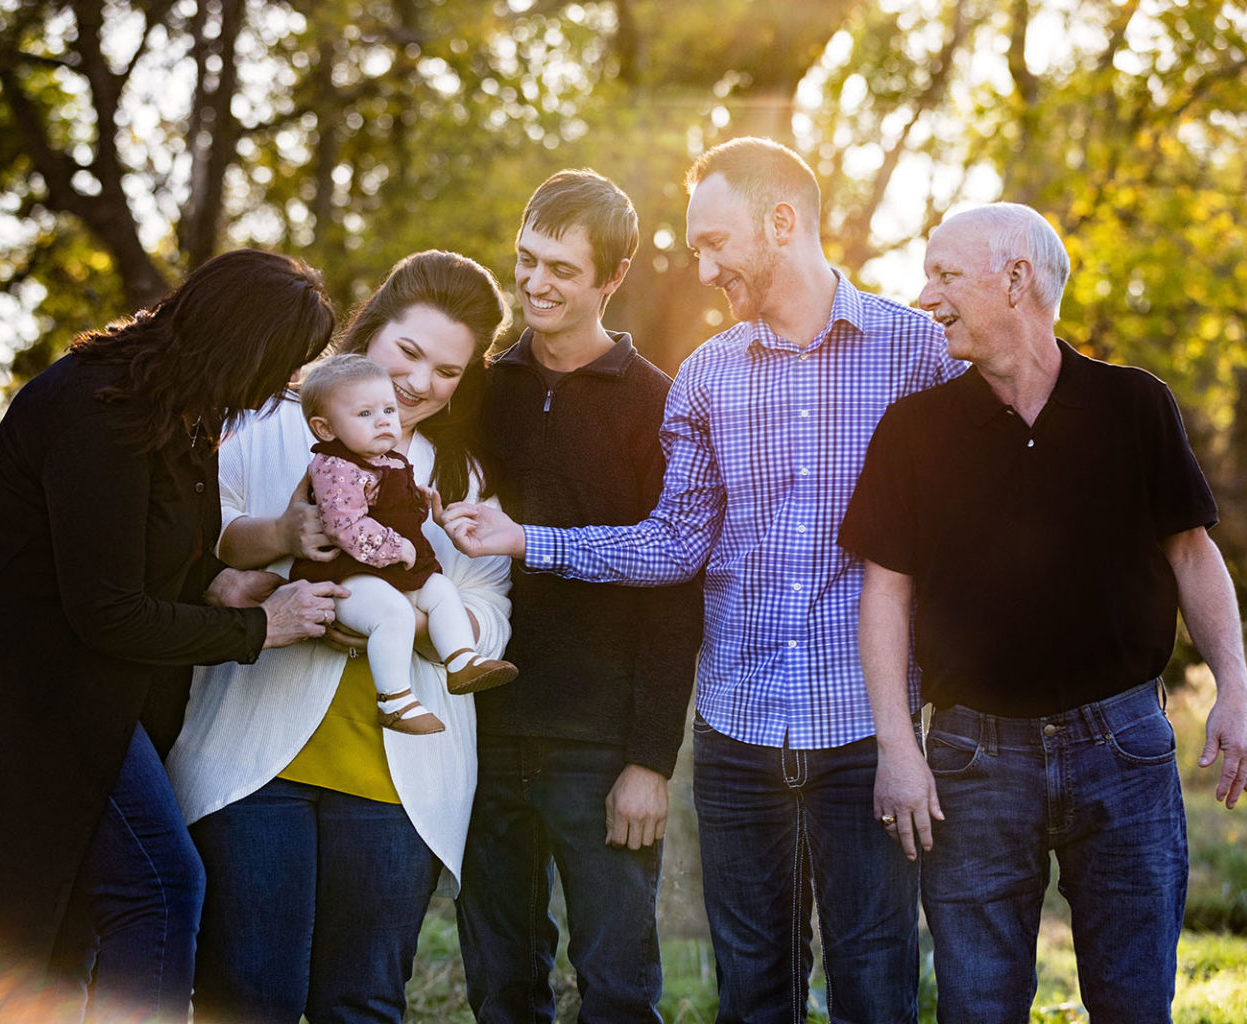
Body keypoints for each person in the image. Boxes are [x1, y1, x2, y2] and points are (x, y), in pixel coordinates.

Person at [442, 138, 961, 1023]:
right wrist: (531, 541)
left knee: (876, 988)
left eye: (715, 244)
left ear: (782, 222)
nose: (704, 268)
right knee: (752, 992)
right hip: (738, 731)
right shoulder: (707, 376)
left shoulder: (916, 352)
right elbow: (676, 546)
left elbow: (985, 490)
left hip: (863, 729)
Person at [0, 249, 344, 1021]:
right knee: (160, 885)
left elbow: (140, 553)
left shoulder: (177, 410)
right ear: (240, 348)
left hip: (84, 691)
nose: (279, 388)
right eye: (281, 365)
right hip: (16, 699)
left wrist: (218, 583)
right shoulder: (99, 410)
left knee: (76, 920)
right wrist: (259, 627)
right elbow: (107, 610)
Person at [840, 202, 1247, 1024]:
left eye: (945, 275)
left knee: (1135, 1006)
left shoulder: (1134, 404)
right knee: (979, 1008)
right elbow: (884, 593)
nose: (926, 298)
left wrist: (1235, 689)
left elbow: (1192, 554)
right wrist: (897, 745)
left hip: (1125, 747)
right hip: (972, 761)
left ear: (1015, 280)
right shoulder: (914, 430)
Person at [164, 250, 514, 1024]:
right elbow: (193, 542)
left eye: (448, 372)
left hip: (397, 782)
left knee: (361, 1005)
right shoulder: (265, 425)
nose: (419, 384)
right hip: (254, 764)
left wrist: (399, 619)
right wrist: (277, 548)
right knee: (248, 996)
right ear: (372, 328)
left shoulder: (458, 477)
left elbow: (491, 610)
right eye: (408, 352)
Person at [454, 169, 702, 1023]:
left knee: (618, 988)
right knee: (500, 987)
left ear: (612, 277)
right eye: (527, 260)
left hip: (600, 747)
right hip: (482, 732)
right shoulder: (480, 390)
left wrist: (650, 760)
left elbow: (674, 588)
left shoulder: (657, 403)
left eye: (561, 268)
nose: (535, 283)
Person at [293, 355, 518, 735]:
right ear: (325, 428)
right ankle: (395, 700)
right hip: (346, 576)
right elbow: (343, 524)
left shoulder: (388, 459)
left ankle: (461, 659)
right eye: (365, 414)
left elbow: (392, 501)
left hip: (391, 574)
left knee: (441, 590)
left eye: (388, 410)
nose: (383, 421)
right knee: (394, 614)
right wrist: (395, 547)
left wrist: (421, 501)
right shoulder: (335, 466)